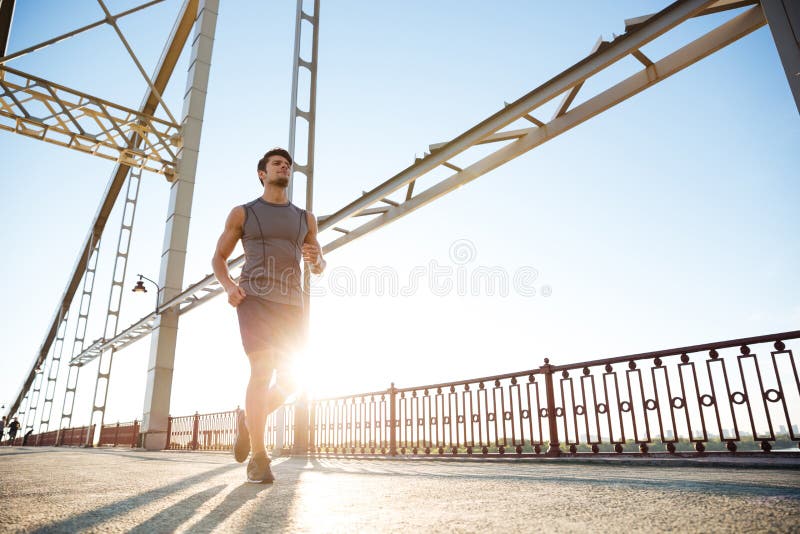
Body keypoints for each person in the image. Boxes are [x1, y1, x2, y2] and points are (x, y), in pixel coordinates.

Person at [212, 147, 326, 484]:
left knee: (291, 381)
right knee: (262, 370)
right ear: (262, 173)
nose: (284, 167)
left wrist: (315, 259)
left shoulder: (306, 218)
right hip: (255, 299)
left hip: (292, 304)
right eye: (277, 164)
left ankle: (249, 422)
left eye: (288, 165)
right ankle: (259, 459)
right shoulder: (243, 213)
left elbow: (319, 266)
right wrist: (229, 286)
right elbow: (218, 258)